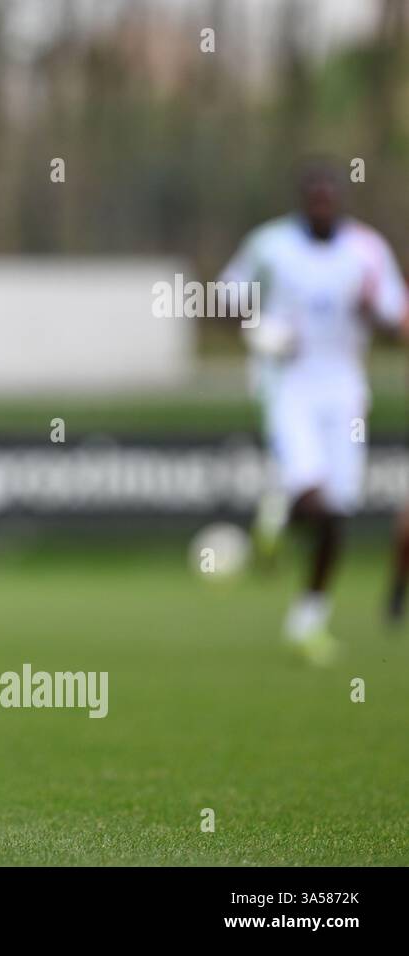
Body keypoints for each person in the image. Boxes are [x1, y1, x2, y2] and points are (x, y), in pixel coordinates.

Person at [220, 161, 407, 664]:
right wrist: (258, 329)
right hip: (289, 387)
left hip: (345, 390)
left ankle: (308, 620)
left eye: (331, 198)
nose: (323, 206)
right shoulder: (270, 245)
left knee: (337, 514)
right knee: (317, 499)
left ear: (340, 201)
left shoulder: (366, 251)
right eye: (315, 199)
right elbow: (223, 300)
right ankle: (287, 507)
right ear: (303, 201)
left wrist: (375, 313)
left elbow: (399, 322)